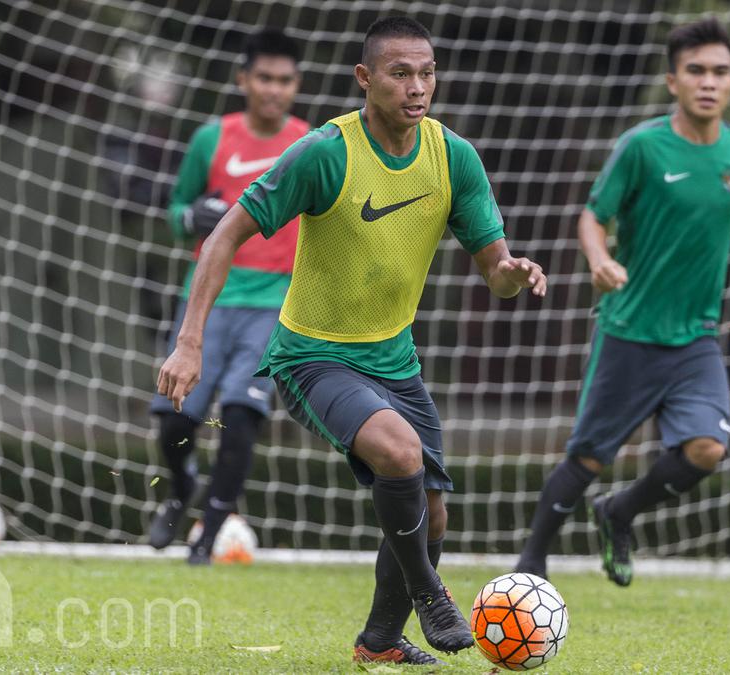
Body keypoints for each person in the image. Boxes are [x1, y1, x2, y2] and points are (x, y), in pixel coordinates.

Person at [158, 16, 547, 664]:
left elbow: (495, 270)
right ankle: (430, 591)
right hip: (312, 356)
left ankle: (380, 642)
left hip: (395, 361)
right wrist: (189, 341)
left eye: (427, 73)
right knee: (400, 452)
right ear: (365, 78)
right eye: (401, 73)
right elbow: (224, 234)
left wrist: (513, 273)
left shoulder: (453, 157)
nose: (417, 87)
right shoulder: (325, 152)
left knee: (433, 511)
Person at [514, 17, 730, 587]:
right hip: (629, 329)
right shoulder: (642, 147)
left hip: (696, 336)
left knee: (707, 448)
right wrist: (598, 259)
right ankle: (529, 566)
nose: (710, 82)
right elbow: (593, 217)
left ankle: (619, 512)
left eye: (721, 72)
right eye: (696, 71)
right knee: (588, 458)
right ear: (673, 81)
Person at [147, 29, 309, 565]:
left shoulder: (310, 145)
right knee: (176, 419)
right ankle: (180, 488)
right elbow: (176, 209)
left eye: (284, 80)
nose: (273, 89)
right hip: (208, 301)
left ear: (296, 85)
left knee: (240, 417)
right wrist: (189, 217)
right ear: (244, 80)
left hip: (275, 303)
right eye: (264, 77)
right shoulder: (210, 139)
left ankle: (208, 536)